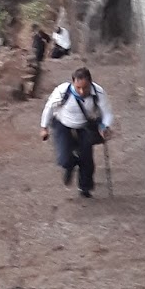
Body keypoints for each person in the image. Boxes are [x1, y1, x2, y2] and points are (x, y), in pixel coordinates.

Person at [41, 66, 113, 198]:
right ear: (73, 82)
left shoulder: (98, 93)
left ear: (90, 83)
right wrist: (44, 127)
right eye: (78, 87)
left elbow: (107, 113)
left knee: (87, 159)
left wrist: (105, 127)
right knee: (64, 158)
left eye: (85, 88)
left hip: (85, 126)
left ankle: (85, 187)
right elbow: (49, 108)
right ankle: (71, 165)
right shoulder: (63, 91)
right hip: (62, 124)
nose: (81, 91)